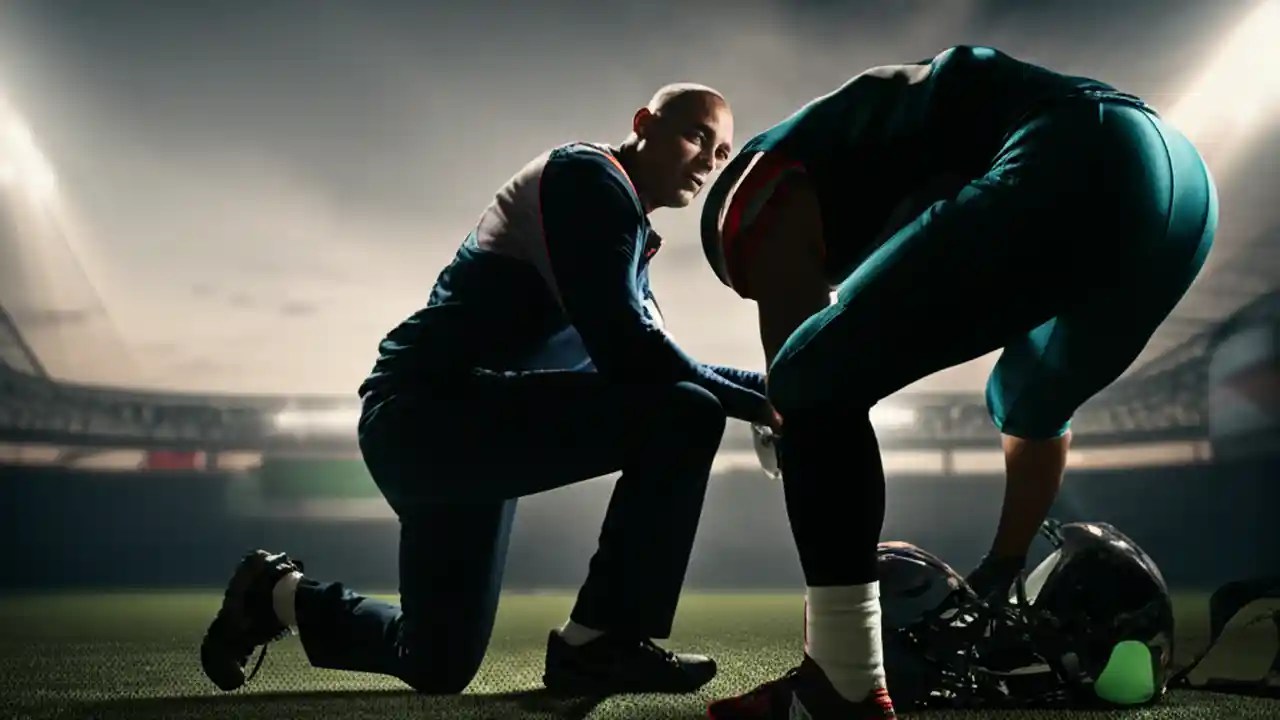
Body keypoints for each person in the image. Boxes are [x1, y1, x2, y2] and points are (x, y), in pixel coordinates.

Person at [200, 83, 777, 696]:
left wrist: (777, 389)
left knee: (437, 661)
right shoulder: (590, 180)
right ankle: (601, 641)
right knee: (684, 413)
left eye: (720, 154)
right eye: (696, 136)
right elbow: (637, 355)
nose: (708, 162)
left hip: (460, 428)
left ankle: (274, 596)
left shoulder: (624, 244)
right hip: (431, 411)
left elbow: (664, 358)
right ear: (644, 123)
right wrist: (767, 402)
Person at [698, 45, 1217, 719]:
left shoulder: (753, 189)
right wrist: (995, 576)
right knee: (1028, 401)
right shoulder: (880, 136)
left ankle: (844, 685)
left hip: (1078, 150)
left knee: (810, 379)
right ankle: (1001, 572)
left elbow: (799, 344)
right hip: (1180, 188)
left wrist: (784, 400)